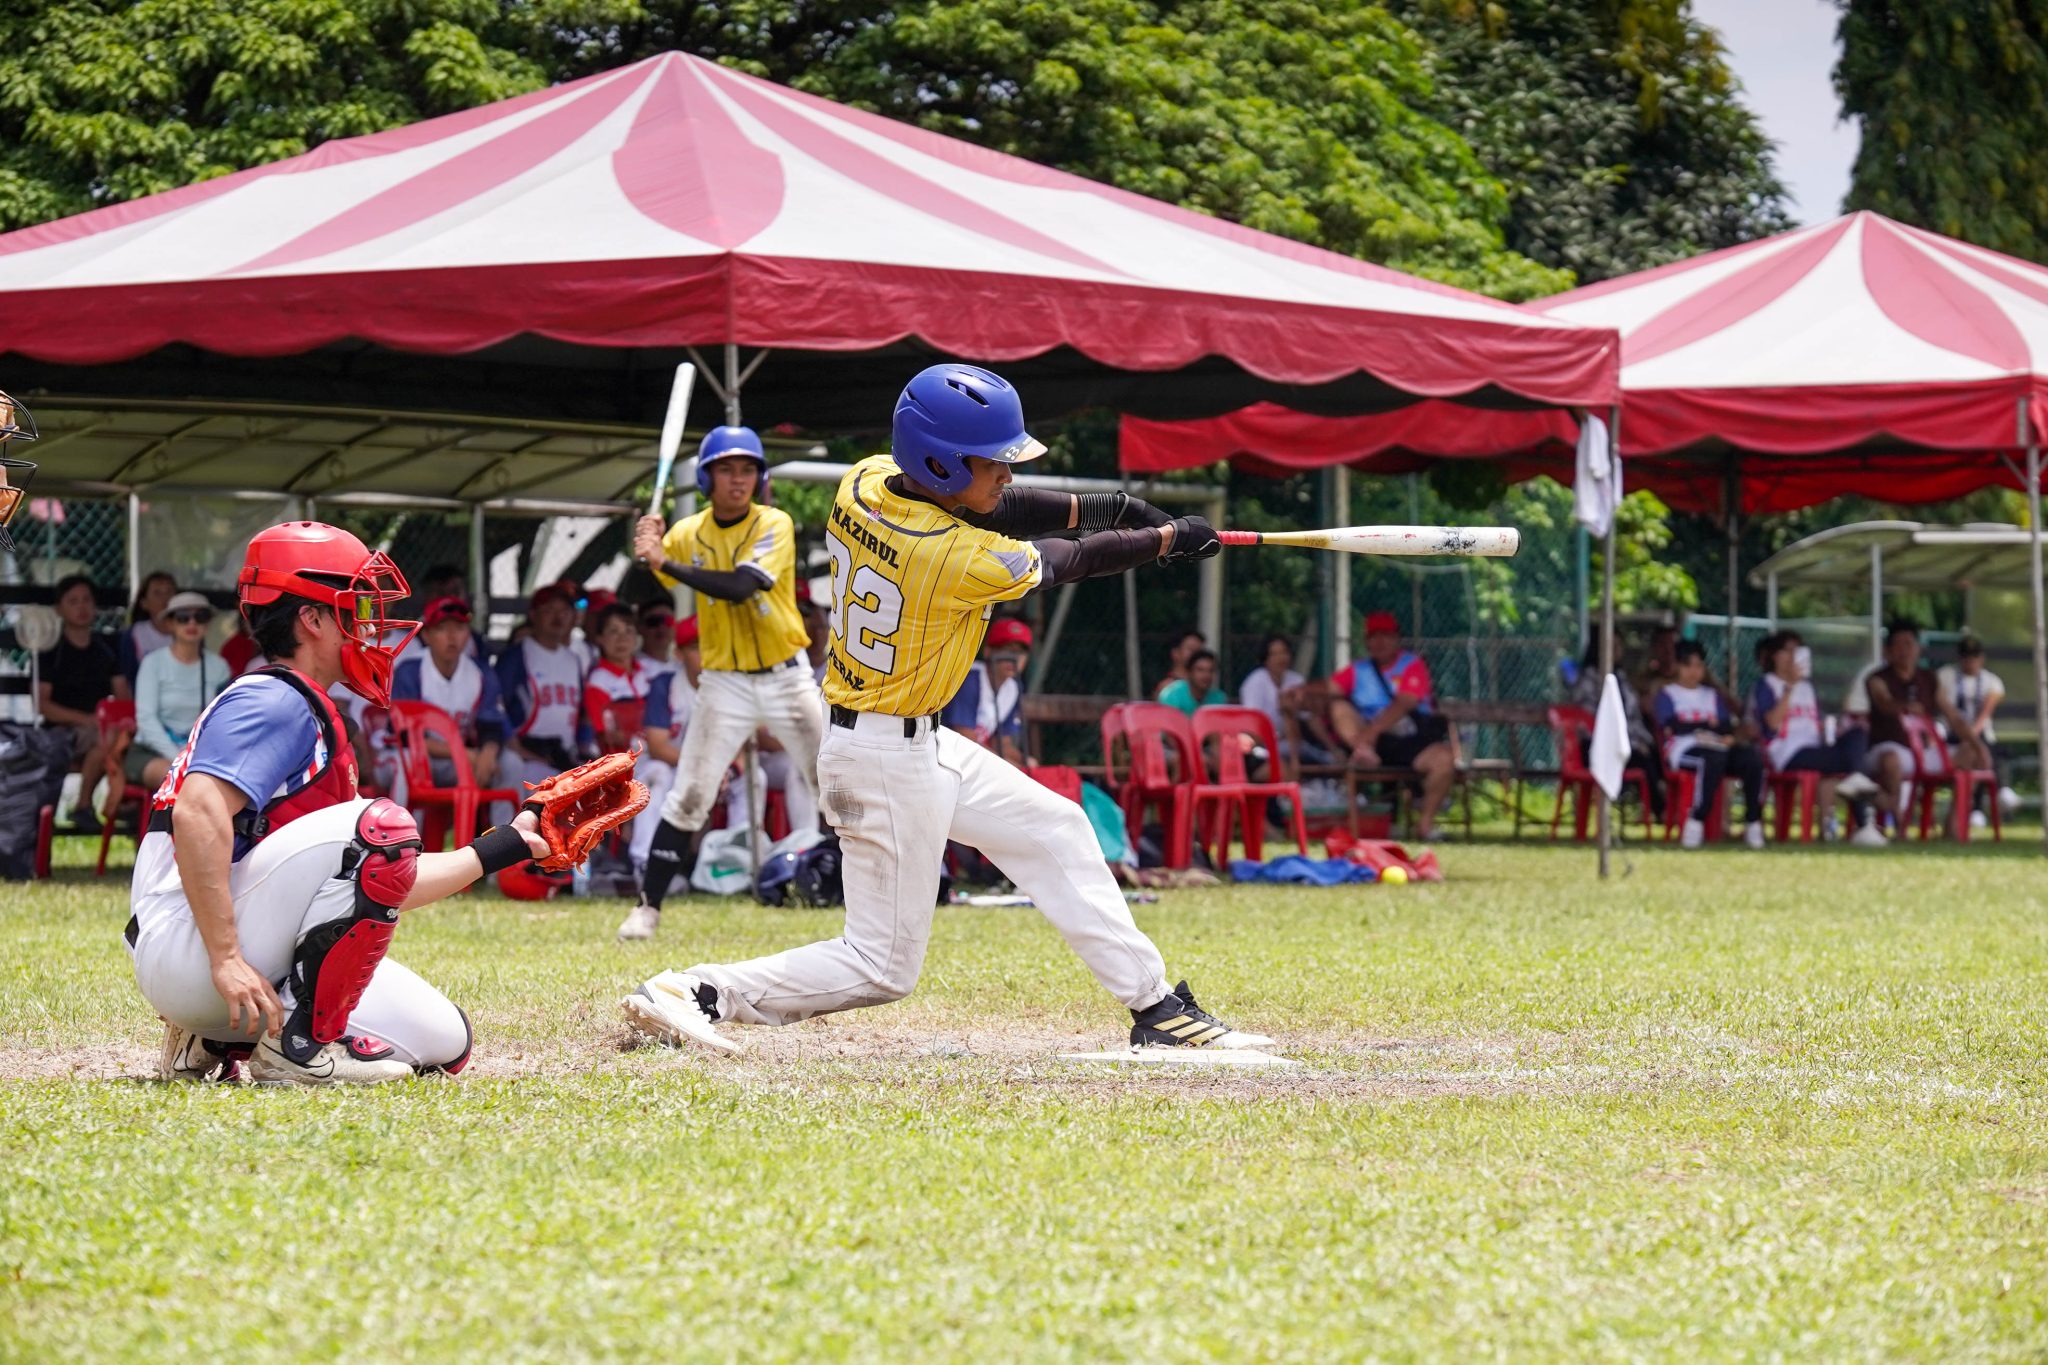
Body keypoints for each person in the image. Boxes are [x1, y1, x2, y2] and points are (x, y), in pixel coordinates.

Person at [620, 362, 1269, 1053]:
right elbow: (1066, 560)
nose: (1007, 476)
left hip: (916, 740)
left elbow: (990, 503)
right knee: (881, 966)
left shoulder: (864, 480)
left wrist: (1112, 507)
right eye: (995, 464)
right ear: (940, 462)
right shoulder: (954, 557)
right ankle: (696, 990)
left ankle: (1156, 1004)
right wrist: (1162, 541)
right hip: (880, 761)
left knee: (1055, 826)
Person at [126, 522, 549, 1085]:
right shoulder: (275, 697)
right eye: (355, 607)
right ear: (312, 617)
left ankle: (211, 1036)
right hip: (192, 947)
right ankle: (292, 1050)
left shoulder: (301, 706)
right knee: (380, 826)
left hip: (199, 944)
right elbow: (196, 812)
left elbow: (383, 876)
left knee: (445, 1040)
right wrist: (224, 958)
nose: (368, 627)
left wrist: (508, 844)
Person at [615, 425, 824, 942]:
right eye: (727, 469)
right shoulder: (688, 534)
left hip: (786, 674)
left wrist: (666, 559)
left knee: (835, 786)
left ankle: (884, 891)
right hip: (724, 681)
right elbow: (656, 569)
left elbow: (739, 586)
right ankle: (648, 908)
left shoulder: (774, 522)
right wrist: (645, 545)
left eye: (748, 469)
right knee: (689, 795)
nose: (738, 480)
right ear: (707, 477)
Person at [1328, 611, 1454, 840]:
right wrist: (1300, 694)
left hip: (1409, 739)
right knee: (1339, 707)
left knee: (1444, 760)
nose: (1380, 642)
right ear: (1366, 642)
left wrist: (1373, 731)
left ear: (1397, 638)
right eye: (1374, 636)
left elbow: (1407, 701)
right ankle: (1362, 753)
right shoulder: (1357, 670)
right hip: (1370, 745)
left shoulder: (1412, 664)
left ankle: (1425, 825)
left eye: (1385, 635)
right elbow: (1329, 690)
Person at [1749, 631, 1868, 842]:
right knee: (1850, 762)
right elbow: (1772, 723)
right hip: (1786, 752)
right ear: (1776, 655)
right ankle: (1863, 822)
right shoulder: (1767, 684)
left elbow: (1816, 724)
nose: (1794, 656)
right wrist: (1790, 686)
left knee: (1857, 736)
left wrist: (1833, 731)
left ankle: (1834, 826)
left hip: (1815, 748)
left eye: (1799, 651)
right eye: (1789, 651)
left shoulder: (1808, 687)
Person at [37, 573, 129, 832]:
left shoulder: (105, 650)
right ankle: (85, 806)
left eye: (87, 600)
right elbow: (43, 706)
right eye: (73, 601)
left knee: (111, 740)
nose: (81, 607)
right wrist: (87, 720)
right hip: (61, 733)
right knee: (104, 739)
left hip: (102, 734)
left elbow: (122, 696)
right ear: (59, 608)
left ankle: (106, 806)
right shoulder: (51, 651)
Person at [1655, 640, 1765, 848]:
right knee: (1712, 758)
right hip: (1683, 750)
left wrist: (1704, 727)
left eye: (1698, 666)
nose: (1693, 672)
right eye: (1688, 665)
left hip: (1717, 747)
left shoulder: (1712, 695)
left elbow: (1725, 725)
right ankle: (1696, 820)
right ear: (1677, 666)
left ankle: (1753, 821)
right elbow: (1672, 726)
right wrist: (1707, 725)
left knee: (1751, 758)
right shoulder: (1667, 694)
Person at [1864, 623, 1971, 835]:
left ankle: (1953, 824)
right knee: (1890, 759)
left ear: (1918, 648)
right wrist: (1904, 706)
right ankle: (1899, 824)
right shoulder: (1877, 679)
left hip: (1924, 751)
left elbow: (1952, 714)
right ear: (1887, 651)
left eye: (1909, 644)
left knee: (1970, 753)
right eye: (1898, 645)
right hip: (1888, 748)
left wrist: (1977, 744)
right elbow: (1884, 702)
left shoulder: (1930, 679)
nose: (1905, 650)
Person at [390, 597, 507, 790]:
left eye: (459, 628)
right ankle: (403, 820)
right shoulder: (411, 671)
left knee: (510, 764)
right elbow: (405, 736)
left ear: (468, 634)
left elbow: (492, 723)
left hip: (461, 758)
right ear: (426, 635)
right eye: (442, 628)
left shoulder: (482, 672)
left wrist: (488, 752)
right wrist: (464, 753)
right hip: (412, 754)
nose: (452, 637)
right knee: (408, 765)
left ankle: (507, 821)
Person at [127, 592, 229, 792]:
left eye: (200, 617)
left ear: (207, 624)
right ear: (170, 624)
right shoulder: (153, 663)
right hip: (151, 752)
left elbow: (222, 719)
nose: (192, 623)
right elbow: (146, 719)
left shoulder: (219, 666)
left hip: (201, 755)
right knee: (180, 780)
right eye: (183, 617)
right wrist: (179, 758)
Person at [495, 583, 587, 791]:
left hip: (563, 754)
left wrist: (584, 747)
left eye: (564, 611)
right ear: (533, 615)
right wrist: (514, 744)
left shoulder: (573, 660)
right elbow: (497, 705)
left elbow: (582, 714)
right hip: (526, 752)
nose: (557, 617)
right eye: (549, 610)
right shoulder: (517, 656)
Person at [632, 615, 702, 876]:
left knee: (755, 779)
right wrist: (701, 768)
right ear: (679, 653)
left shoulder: (725, 686)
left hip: (706, 768)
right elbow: (659, 747)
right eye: (696, 647)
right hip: (667, 765)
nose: (705, 654)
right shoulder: (666, 684)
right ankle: (645, 862)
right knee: (657, 773)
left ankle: (733, 863)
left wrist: (726, 770)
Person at [1568, 638, 1664, 822]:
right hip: (1595, 746)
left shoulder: (1620, 677)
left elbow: (1631, 715)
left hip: (1631, 741)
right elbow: (1597, 722)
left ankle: (1670, 806)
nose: (1618, 650)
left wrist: (1639, 740)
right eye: (1613, 646)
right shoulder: (1589, 680)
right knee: (1642, 759)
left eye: (1619, 645)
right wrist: (1633, 743)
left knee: (1656, 751)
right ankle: (1661, 811)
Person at [581, 601, 656, 757]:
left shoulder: (649, 672)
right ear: (600, 638)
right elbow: (605, 736)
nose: (622, 639)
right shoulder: (598, 682)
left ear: (637, 636)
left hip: (652, 754)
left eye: (628, 631)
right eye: (613, 631)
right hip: (620, 764)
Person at [1937, 636, 2002, 786]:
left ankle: (1977, 804)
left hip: (1978, 733)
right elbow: (1946, 710)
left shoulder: (1992, 681)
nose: (1970, 660)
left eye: (1974, 655)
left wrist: (1970, 736)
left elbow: (1985, 714)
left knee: (1976, 749)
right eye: (1966, 655)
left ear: (1982, 658)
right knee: (1972, 750)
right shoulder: (1944, 676)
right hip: (1949, 734)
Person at [119, 571, 178, 681]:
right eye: (157, 593)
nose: (165, 598)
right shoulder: (134, 635)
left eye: (169, 592)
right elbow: (126, 677)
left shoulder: (189, 630)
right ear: (144, 603)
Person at [1157, 647, 1227, 715]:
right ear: (1189, 673)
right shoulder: (1172, 695)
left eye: (1211, 670)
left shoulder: (1219, 698)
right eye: (1200, 670)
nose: (1206, 675)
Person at [1151, 627, 1206, 701]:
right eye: (1191, 649)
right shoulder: (1168, 687)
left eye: (1200, 651)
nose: (1197, 655)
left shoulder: (1205, 687)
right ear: (1175, 653)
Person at [636, 599, 676, 671]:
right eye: (654, 621)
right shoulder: (630, 667)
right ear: (639, 627)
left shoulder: (682, 669)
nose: (662, 628)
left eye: (668, 621)